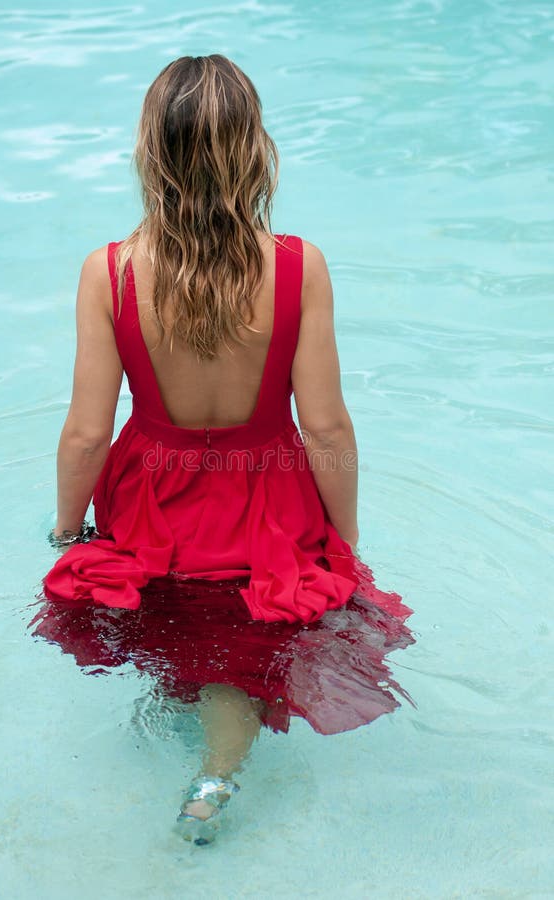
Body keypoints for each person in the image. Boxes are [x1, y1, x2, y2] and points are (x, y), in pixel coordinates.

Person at [38, 54, 415, 846]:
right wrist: (342, 543)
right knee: (245, 642)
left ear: (150, 152)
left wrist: (69, 531)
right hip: (268, 495)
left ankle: (197, 736)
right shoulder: (296, 265)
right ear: (255, 150)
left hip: (154, 498)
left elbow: (84, 431)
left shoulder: (107, 272)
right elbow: (328, 425)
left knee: (179, 623)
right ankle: (216, 774)